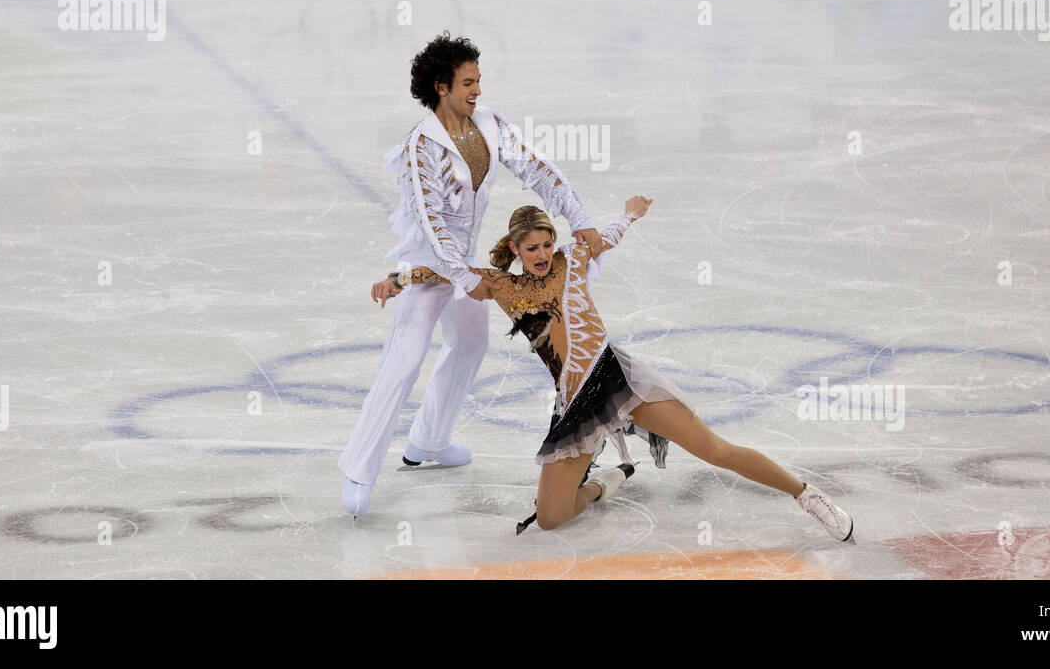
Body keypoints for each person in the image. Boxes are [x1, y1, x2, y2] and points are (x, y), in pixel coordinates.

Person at [371, 197, 855, 540]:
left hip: (617, 380)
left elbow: (605, 238)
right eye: (532, 248)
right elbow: (444, 272)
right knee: (550, 517)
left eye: (546, 244)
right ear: (515, 249)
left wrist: (631, 213)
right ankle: (608, 480)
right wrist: (398, 278)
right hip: (573, 405)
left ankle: (808, 496)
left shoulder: (571, 260)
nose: (541, 254)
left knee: (714, 449)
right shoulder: (501, 287)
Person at [339, 34, 602, 517]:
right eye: (467, 82)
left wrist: (577, 215)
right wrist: (462, 277)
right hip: (428, 266)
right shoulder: (421, 147)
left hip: (465, 266)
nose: (477, 89)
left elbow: (538, 168)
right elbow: (432, 221)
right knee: (405, 359)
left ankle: (430, 439)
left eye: (479, 79)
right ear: (441, 87)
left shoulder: (489, 124)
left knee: (470, 343)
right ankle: (358, 467)